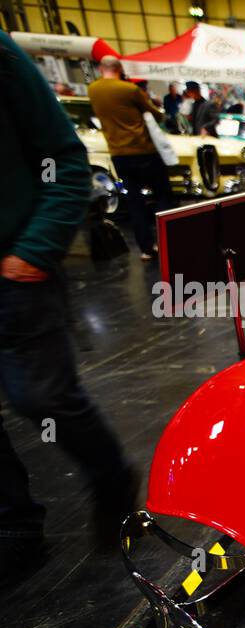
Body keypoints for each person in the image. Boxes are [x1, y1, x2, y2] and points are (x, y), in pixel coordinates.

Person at [0, 31, 137, 575]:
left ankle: (109, 472)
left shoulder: (6, 61)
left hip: (14, 270)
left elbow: (63, 158)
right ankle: (14, 522)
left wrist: (33, 251)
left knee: (41, 396)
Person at [86, 55, 175, 259]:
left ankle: (146, 248)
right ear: (119, 69)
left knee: (134, 202)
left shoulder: (93, 89)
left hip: (119, 154)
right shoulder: (129, 90)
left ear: (101, 69)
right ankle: (168, 241)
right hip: (144, 151)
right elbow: (156, 114)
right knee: (163, 195)